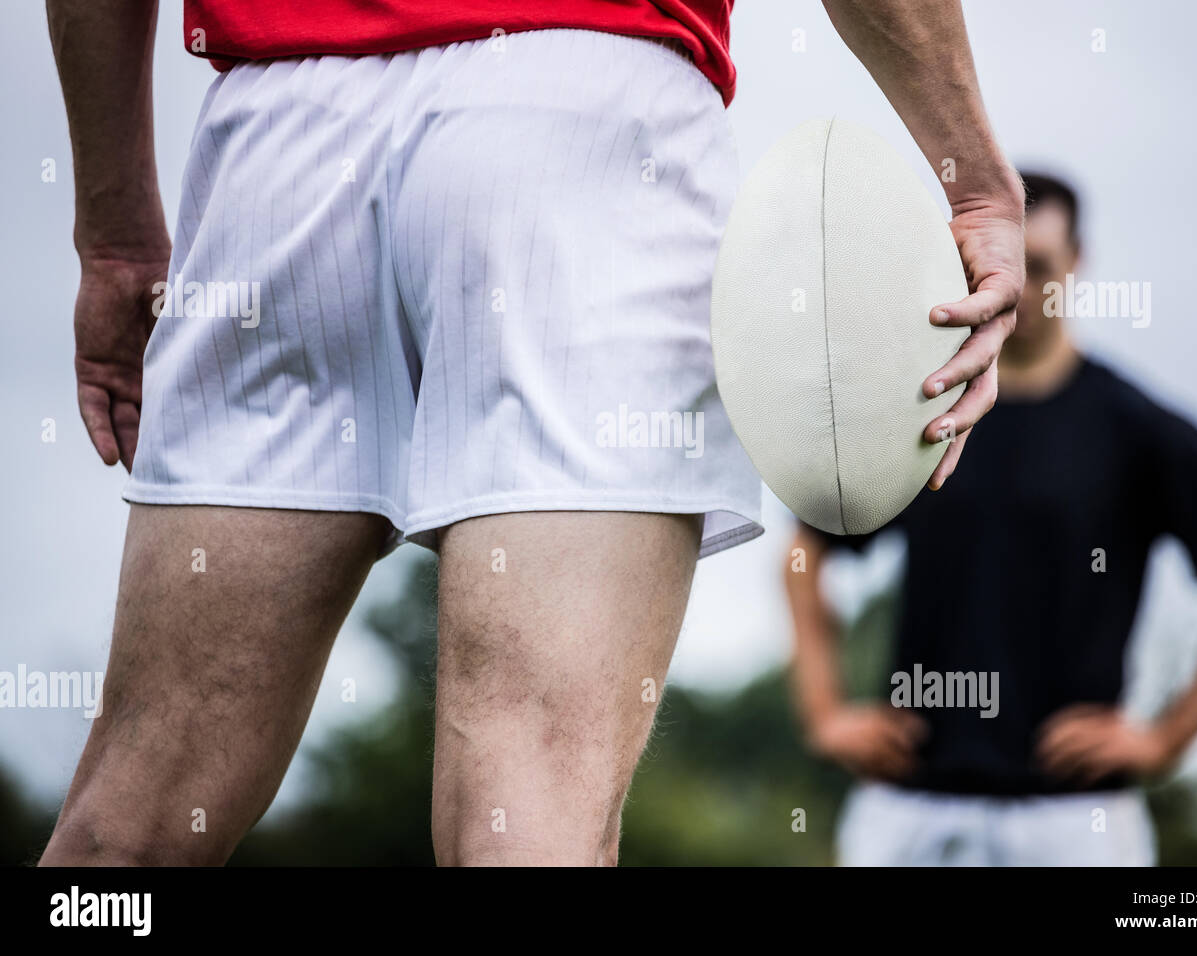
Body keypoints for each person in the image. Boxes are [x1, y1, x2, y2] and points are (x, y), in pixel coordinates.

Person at [42, 0, 1023, 866]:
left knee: (128, 823)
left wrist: (116, 229)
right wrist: (972, 176)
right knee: (528, 821)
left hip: (280, 136)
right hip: (583, 110)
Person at [787, 172, 1197, 866]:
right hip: (907, 806)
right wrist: (825, 711)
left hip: (1075, 819)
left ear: (1077, 263)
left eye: (1039, 268)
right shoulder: (922, 412)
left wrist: (1165, 738)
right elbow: (805, 553)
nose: (1015, 290)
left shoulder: (1139, 430)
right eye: (996, 270)